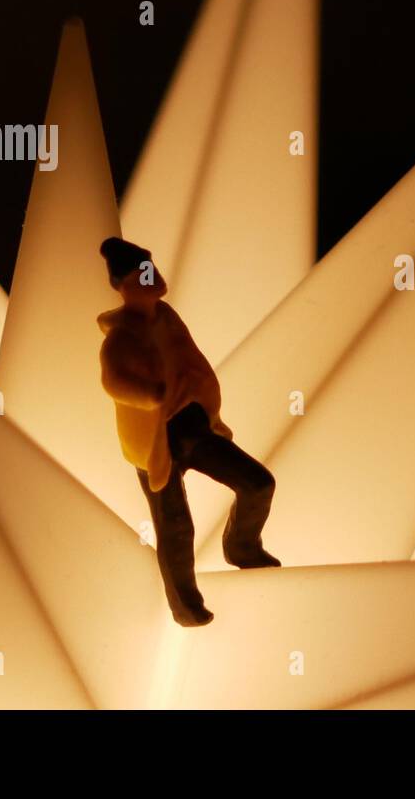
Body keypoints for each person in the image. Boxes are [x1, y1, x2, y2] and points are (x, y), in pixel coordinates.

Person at [97, 236, 279, 626]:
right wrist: (150, 394)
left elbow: (190, 358)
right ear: (125, 286)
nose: (153, 275)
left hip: (193, 426)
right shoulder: (119, 338)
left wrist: (206, 404)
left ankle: (242, 546)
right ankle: (185, 606)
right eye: (142, 272)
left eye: (151, 267)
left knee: (258, 483)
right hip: (154, 444)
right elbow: (113, 381)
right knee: (176, 526)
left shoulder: (167, 317)